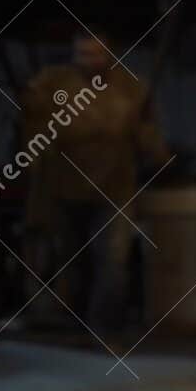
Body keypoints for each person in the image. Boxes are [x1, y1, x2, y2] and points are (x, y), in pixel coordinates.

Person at [20, 32, 171, 335]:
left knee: (113, 263)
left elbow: (147, 135)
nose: (89, 61)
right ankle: (78, 327)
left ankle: (104, 331)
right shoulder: (53, 85)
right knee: (74, 263)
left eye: (96, 54)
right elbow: (33, 127)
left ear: (109, 55)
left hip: (114, 189)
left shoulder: (130, 89)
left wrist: (159, 157)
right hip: (66, 187)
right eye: (83, 54)